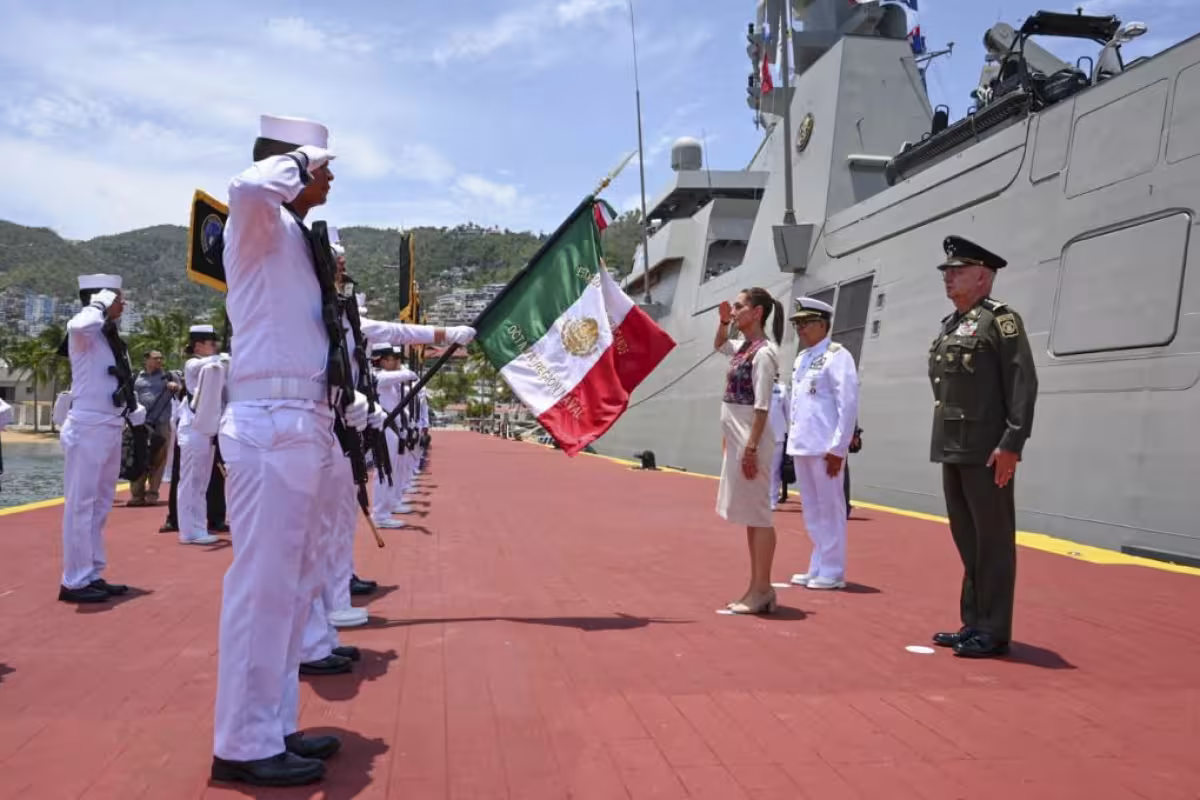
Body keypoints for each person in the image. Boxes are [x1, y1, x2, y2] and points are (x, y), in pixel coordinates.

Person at [210, 113, 369, 787]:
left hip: (302, 423)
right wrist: (302, 157)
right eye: (318, 165)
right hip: (268, 423)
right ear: (289, 163)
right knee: (264, 588)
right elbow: (245, 187)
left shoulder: (298, 241)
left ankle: (271, 725)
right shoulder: (256, 222)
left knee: (294, 585)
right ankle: (241, 742)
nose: (328, 175)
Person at [929, 235, 1038, 659]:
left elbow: (1022, 383)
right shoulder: (952, 325)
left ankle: (993, 629)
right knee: (968, 540)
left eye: (957, 271)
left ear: (983, 277)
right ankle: (973, 621)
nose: (949, 277)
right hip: (954, 449)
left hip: (987, 451)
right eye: (947, 272)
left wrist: (1012, 442)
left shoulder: (1001, 321)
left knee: (992, 541)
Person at [57, 274, 146, 603]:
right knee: (80, 505)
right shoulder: (85, 333)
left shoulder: (109, 338)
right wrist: (100, 300)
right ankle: (74, 581)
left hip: (109, 425)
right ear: (103, 299)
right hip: (88, 426)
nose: (123, 304)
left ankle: (91, 572)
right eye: (118, 298)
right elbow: (79, 326)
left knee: (99, 505)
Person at [714, 287, 784, 614]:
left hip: (751, 439)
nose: (736, 310)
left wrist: (752, 448)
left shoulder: (764, 353)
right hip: (740, 438)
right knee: (750, 517)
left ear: (757, 312)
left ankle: (763, 589)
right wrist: (723, 322)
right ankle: (756, 587)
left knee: (759, 514)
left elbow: (762, 405)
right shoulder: (743, 347)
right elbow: (719, 346)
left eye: (740, 306)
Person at [786, 297, 859, 590]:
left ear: (822, 324)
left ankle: (833, 569)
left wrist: (838, 447)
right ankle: (817, 564)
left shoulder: (837, 356)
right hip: (803, 445)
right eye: (798, 324)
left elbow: (848, 403)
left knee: (831, 508)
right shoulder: (802, 359)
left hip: (825, 447)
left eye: (805, 323)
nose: (800, 329)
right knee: (812, 509)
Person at [176, 325, 226, 546]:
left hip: (204, 428)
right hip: (192, 427)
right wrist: (225, 357)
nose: (215, 348)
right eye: (211, 343)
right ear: (198, 345)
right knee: (191, 480)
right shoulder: (193, 364)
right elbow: (211, 364)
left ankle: (197, 527)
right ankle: (188, 530)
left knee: (201, 481)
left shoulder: (214, 364)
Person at [128, 350, 179, 506]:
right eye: (156, 358)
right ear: (147, 359)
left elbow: (181, 388)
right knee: (138, 457)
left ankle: (152, 494)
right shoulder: (137, 378)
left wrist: (175, 386)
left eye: (161, 358)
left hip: (161, 423)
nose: (159, 361)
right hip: (141, 423)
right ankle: (137, 495)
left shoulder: (168, 376)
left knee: (159, 458)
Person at [767, 380, 788, 511]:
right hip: (759, 436)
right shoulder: (755, 386)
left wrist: (789, 434)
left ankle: (772, 500)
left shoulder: (781, 389)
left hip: (777, 436)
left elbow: (788, 413)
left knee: (774, 471)